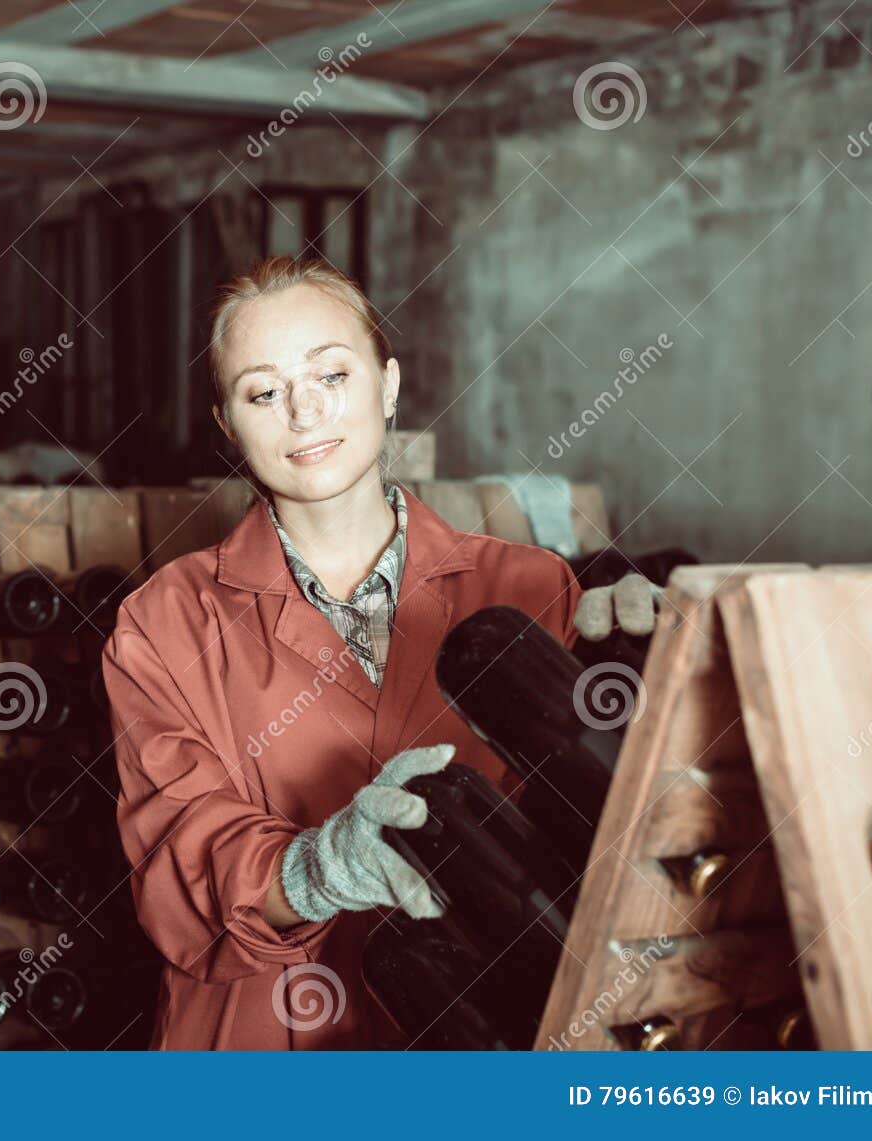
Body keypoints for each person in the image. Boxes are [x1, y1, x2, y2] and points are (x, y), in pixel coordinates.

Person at [101, 255, 657, 1050]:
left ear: (388, 385)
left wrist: (673, 672)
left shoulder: (531, 588)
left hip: (484, 1032)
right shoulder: (164, 623)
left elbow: (607, 822)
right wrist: (315, 867)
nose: (303, 412)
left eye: (331, 373)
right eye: (263, 391)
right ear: (228, 424)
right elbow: (174, 865)